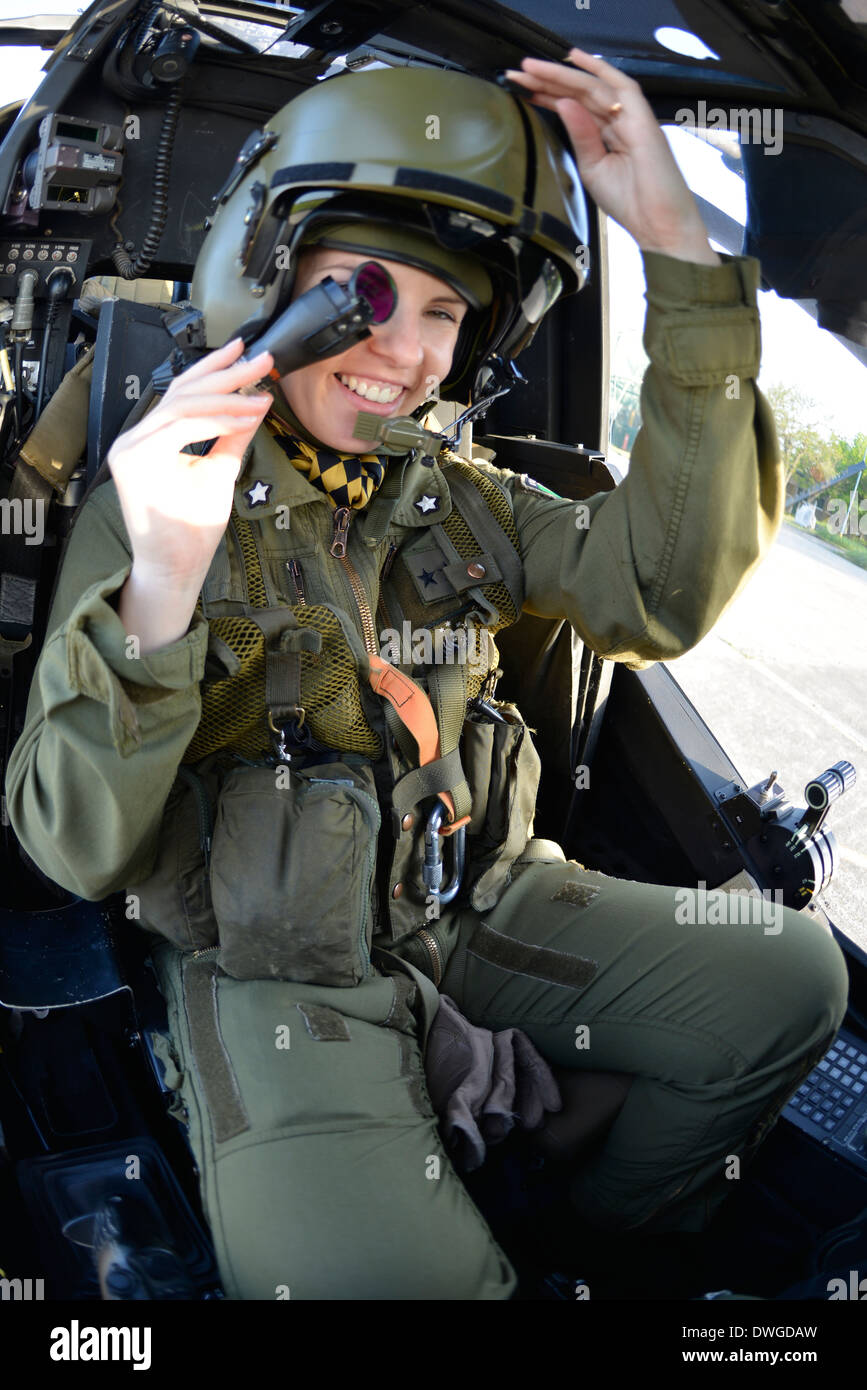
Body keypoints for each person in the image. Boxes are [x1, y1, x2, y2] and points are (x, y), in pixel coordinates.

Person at [5, 50, 848, 1300]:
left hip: (473, 905)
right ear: (268, 279)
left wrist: (677, 248)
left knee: (790, 978)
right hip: (271, 961)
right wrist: (165, 584)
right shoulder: (161, 489)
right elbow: (71, 848)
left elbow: (656, 589)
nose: (404, 353)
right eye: (364, 295)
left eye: (446, 313)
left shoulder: (451, 493)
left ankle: (601, 1245)